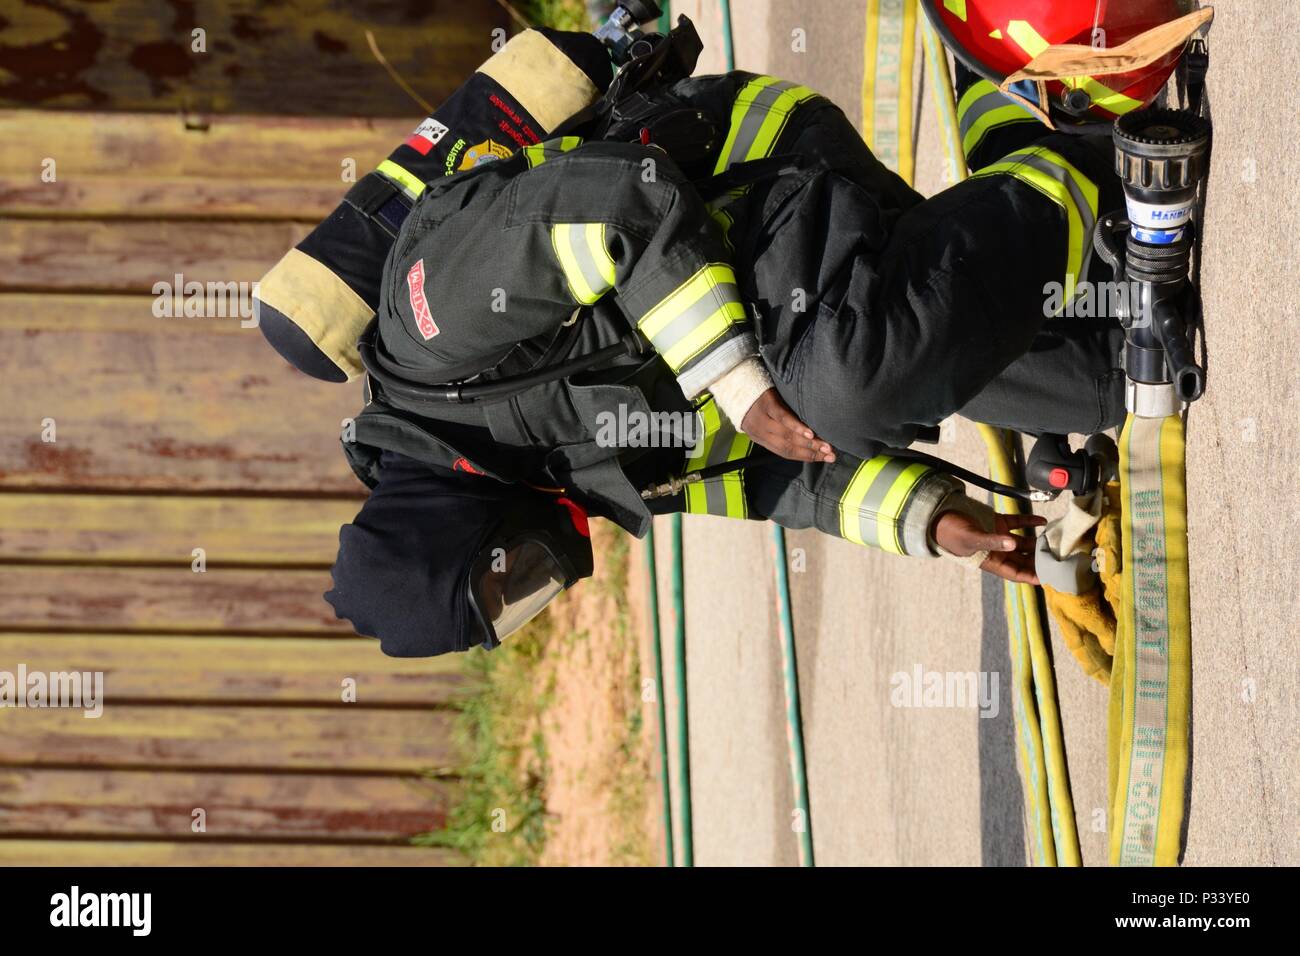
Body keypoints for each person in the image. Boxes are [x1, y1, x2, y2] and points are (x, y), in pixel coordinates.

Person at [253, 6, 1204, 656]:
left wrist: (737, 386)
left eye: (508, 584)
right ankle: (1015, 94)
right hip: (802, 297)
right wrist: (932, 523)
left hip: (755, 163)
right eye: (522, 609)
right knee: (1101, 379)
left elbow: (615, 206)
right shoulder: (552, 472)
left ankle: (1087, 182)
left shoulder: (433, 334)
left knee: (848, 386)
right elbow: (768, 478)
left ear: (447, 525)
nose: (541, 585)